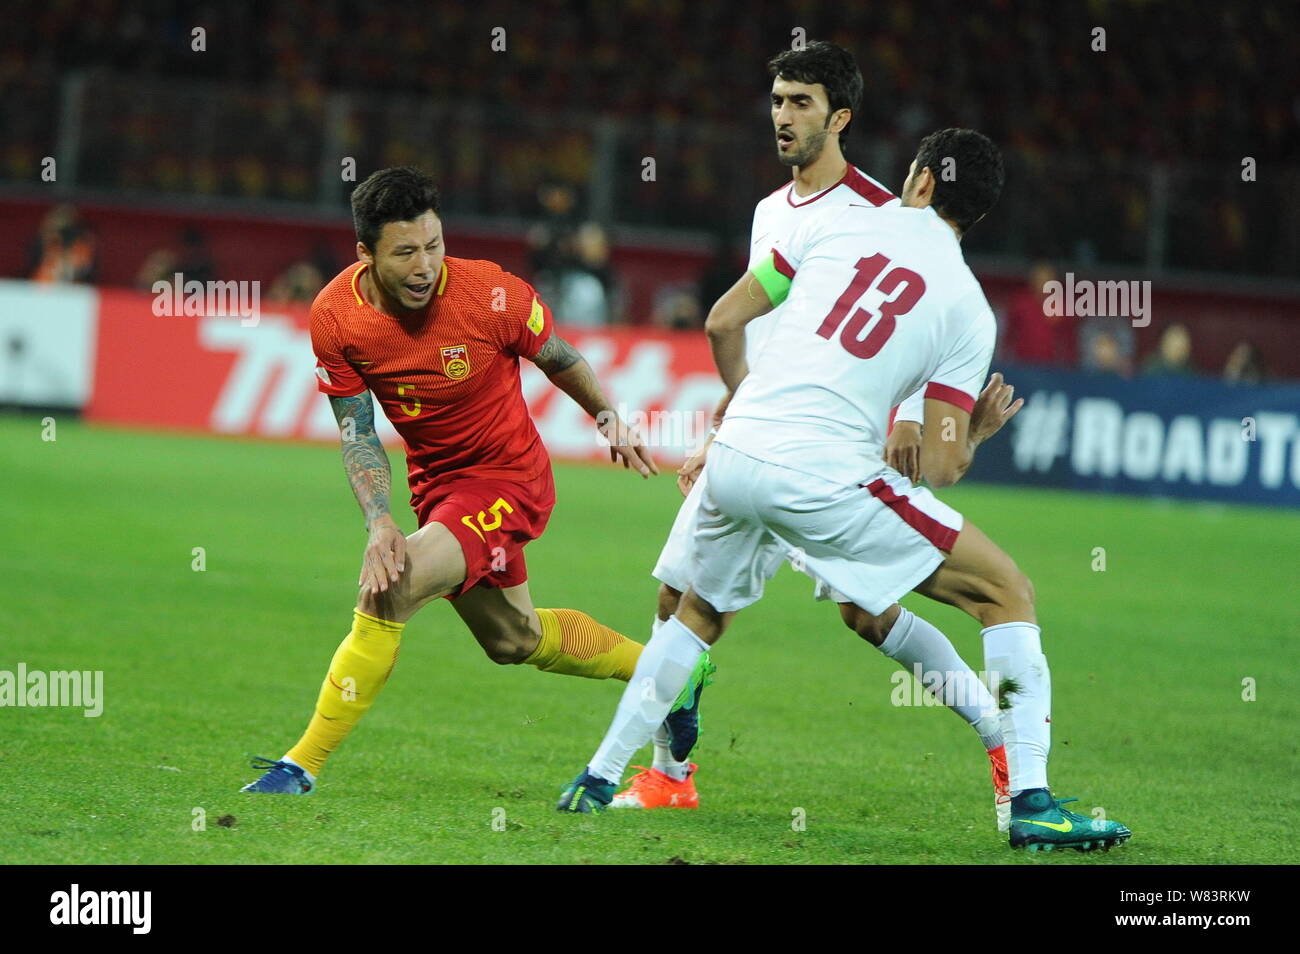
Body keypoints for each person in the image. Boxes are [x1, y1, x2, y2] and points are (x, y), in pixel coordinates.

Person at [562, 129, 1132, 853]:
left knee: (698, 612)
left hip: (738, 452)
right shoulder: (967, 306)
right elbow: (944, 466)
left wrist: (753, 405)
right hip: (823, 470)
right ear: (979, 213)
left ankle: (599, 776)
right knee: (1005, 592)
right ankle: (1032, 800)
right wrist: (977, 433)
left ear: (921, 180)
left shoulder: (836, 221)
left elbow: (721, 319)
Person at [605, 42, 1010, 827]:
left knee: (869, 616)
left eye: (801, 103)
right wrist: (726, 424)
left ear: (840, 118)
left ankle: (999, 739)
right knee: (675, 599)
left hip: (836, 453)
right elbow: (769, 337)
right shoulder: (768, 212)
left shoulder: (876, 213)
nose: (783, 117)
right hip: (762, 437)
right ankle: (670, 773)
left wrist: (902, 420)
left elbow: (911, 325)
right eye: (779, 101)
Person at [241, 167, 713, 795]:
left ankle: (299, 767)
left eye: (433, 245)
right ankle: (672, 675)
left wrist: (609, 419)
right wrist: (379, 519)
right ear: (365, 254)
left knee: (389, 588)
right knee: (513, 639)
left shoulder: (489, 292)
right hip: (437, 487)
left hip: (508, 480)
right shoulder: (336, 316)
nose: (424, 265)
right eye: (405, 252)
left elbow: (560, 356)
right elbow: (357, 431)